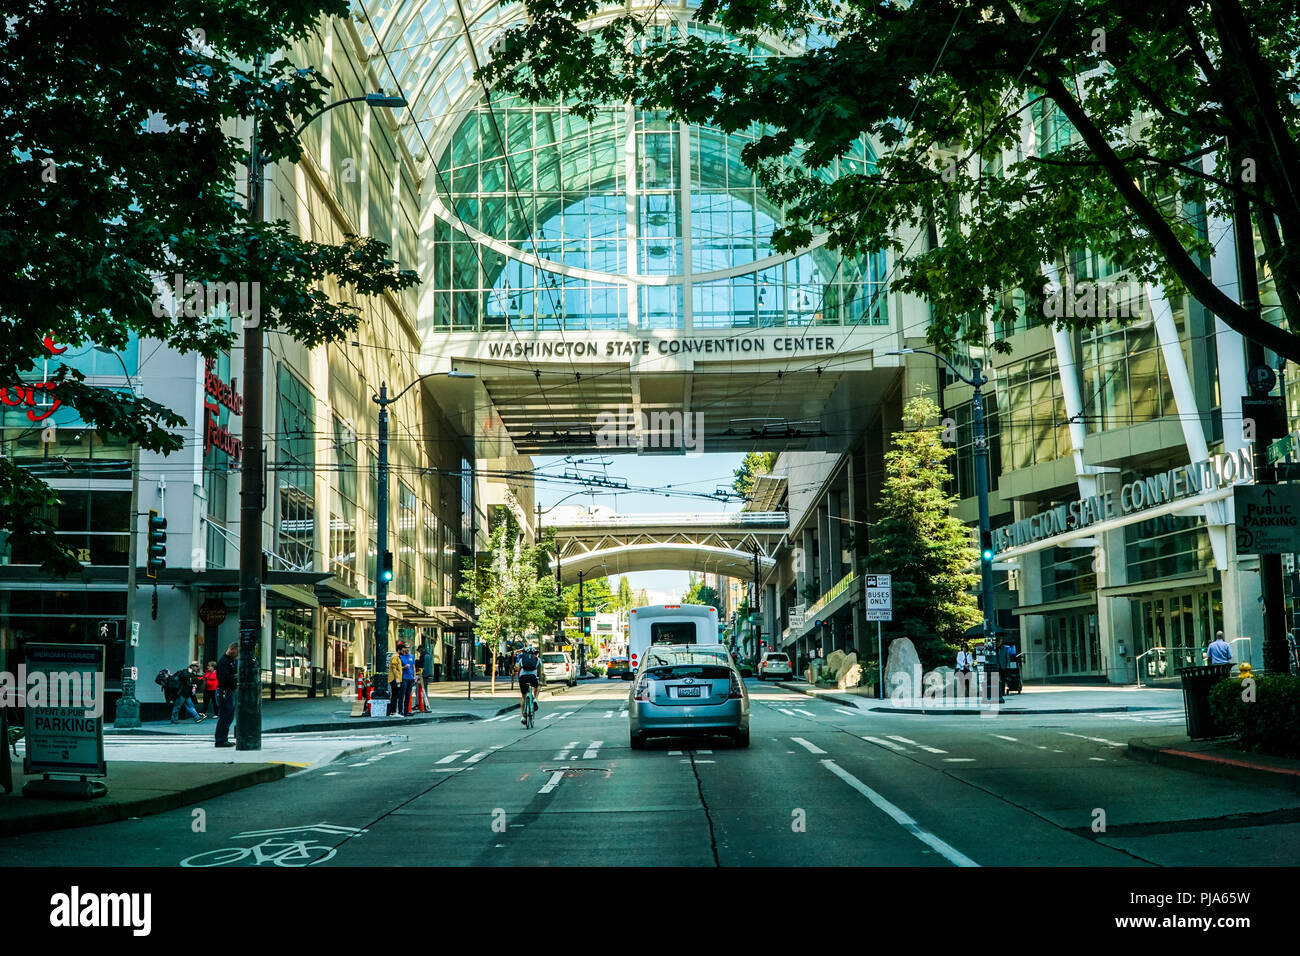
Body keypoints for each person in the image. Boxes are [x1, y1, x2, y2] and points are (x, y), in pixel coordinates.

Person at [214, 642, 239, 748]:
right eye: (237, 651)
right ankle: (220, 739)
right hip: (225, 691)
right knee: (225, 715)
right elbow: (224, 678)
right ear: (232, 649)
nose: (237, 654)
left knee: (228, 715)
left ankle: (222, 738)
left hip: (228, 691)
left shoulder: (230, 661)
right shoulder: (224, 662)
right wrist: (236, 676)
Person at [517, 645, 541, 725]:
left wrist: (519, 679)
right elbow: (539, 672)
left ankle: (523, 717)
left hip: (523, 678)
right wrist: (540, 679)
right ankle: (535, 699)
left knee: (523, 697)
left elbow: (519, 668)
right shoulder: (537, 659)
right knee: (537, 687)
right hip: (532, 677)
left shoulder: (522, 659)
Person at [387, 643, 405, 716]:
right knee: (395, 695)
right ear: (399, 650)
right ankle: (393, 712)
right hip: (394, 679)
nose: (403, 652)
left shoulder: (398, 657)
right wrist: (397, 678)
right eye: (402, 651)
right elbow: (394, 668)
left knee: (395, 695)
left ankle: (393, 711)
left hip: (396, 678)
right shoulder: (395, 657)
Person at [399, 643, 415, 716]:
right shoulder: (400, 657)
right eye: (406, 648)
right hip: (404, 677)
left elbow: (413, 666)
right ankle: (400, 711)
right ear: (403, 649)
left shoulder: (412, 656)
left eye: (408, 647)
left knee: (408, 695)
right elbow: (398, 667)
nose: (407, 649)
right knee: (402, 695)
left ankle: (406, 711)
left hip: (410, 678)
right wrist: (404, 667)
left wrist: (414, 676)